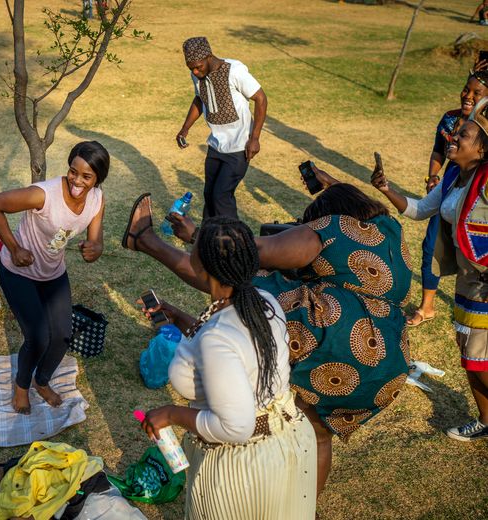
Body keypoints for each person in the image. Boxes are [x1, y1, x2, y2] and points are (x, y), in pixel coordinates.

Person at [122, 172, 411, 496]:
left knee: (243, 282)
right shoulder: (390, 231)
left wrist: (197, 236)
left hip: (340, 337)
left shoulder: (331, 228)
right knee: (318, 435)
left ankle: (144, 239)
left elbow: (252, 251)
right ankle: (302, 510)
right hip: (388, 363)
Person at [139, 217, 316, 519]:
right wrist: (180, 318)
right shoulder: (264, 300)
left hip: (243, 467)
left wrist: (170, 414)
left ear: (202, 267)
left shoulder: (217, 337)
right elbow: (234, 348)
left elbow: (236, 426)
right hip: (290, 439)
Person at [372, 100, 488, 441]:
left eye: (463, 134)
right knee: (469, 356)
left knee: (480, 360)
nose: (452, 136)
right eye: (455, 132)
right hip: (469, 281)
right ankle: (485, 419)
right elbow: (420, 209)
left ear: (482, 149)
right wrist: (385, 188)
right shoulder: (454, 175)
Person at [0, 141, 108, 414]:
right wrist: (14, 248)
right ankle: (21, 386)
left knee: (62, 335)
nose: (76, 180)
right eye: (73, 171)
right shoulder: (44, 194)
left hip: (53, 273)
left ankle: (41, 381)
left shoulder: (97, 200)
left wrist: (96, 249)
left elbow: (96, 240)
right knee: (38, 336)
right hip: (18, 272)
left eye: (86, 176)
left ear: (98, 179)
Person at [408, 69, 488, 326]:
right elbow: (436, 152)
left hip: (474, 197)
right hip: (448, 190)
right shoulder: (449, 119)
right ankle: (427, 306)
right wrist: (432, 178)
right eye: (467, 89)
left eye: (477, 93)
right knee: (431, 246)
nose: (468, 96)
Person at [176, 36, 268, 220]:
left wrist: (255, 138)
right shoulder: (197, 74)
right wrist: (185, 128)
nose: (195, 71)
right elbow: (199, 98)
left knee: (221, 197)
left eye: (198, 66)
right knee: (210, 195)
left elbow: (261, 98)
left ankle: (232, 242)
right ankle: (208, 241)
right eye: (191, 68)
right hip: (216, 146)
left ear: (209, 56)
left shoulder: (234, 70)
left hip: (239, 147)